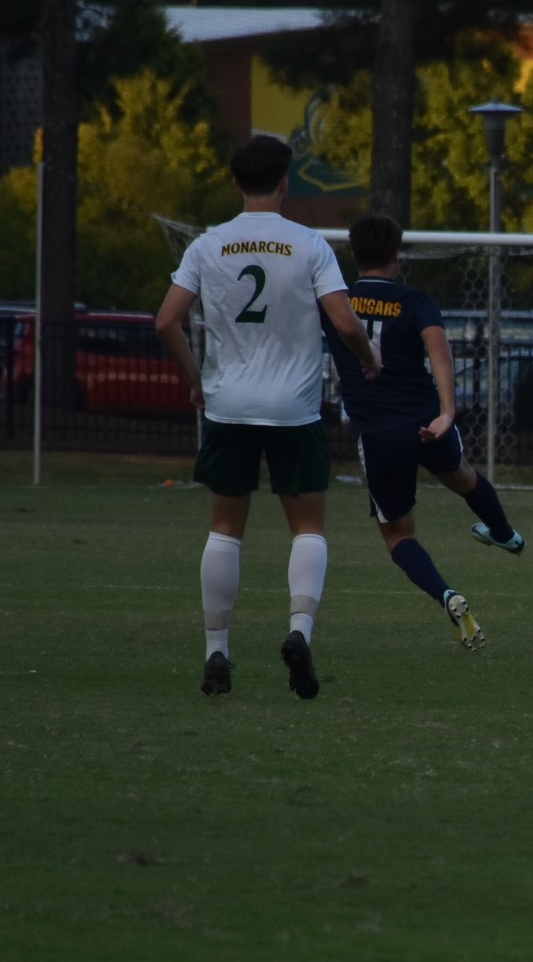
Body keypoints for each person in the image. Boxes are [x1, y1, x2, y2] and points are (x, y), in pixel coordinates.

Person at [155, 135, 381, 701]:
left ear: (236, 183)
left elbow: (166, 322)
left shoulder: (209, 245)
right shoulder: (308, 246)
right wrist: (370, 360)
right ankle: (299, 633)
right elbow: (347, 324)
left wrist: (197, 383)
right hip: (293, 407)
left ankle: (216, 650)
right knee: (307, 527)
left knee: (225, 529)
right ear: (285, 182)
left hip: (230, 403)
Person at [322, 213, 526, 653]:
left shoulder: (334, 302)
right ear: (397, 255)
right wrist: (448, 413)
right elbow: (440, 352)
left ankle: (447, 595)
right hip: (426, 422)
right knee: (464, 477)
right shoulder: (415, 300)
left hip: (379, 434)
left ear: (353, 255)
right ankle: (507, 534)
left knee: (399, 536)